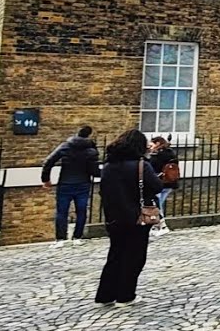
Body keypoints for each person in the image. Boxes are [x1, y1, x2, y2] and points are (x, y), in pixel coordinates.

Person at [95, 129, 162, 307]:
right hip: (137, 218)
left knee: (115, 255)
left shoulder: (108, 166)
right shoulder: (141, 165)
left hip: (114, 217)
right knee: (134, 256)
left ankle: (105, 295)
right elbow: (156, 187)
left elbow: (104, 191)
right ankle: (125, 295)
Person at [41, 125, 100, 248]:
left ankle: (60, 239)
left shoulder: (65, 146)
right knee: (82, 211)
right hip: (83, 184)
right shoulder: (91, 151)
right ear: (89, 135)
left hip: (65, 183)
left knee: (61, 212)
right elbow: (95, 171)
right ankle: (77, 237)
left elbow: (48, 162)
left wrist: (46, 179)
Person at [147, 136, 179, 236]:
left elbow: (152, 168)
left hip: (160, 183)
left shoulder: (158, 155)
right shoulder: (171, 153)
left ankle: (163, 226)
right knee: (159, 204)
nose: (150, 147)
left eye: (151, 145)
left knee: (157, 205)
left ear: (157, 144)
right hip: (171, 182)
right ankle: (155, 226)